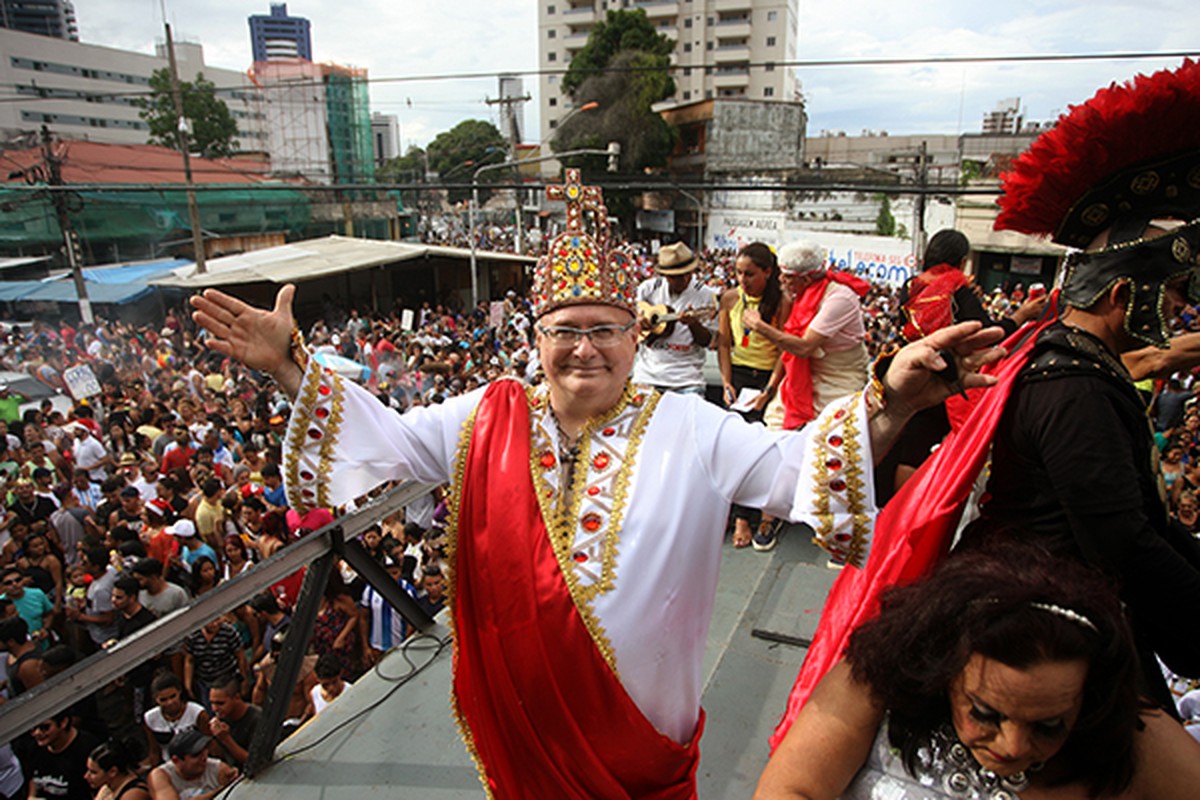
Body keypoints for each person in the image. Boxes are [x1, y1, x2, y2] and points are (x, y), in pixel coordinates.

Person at [191, 168, 1003, 797]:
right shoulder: (483, 415)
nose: (586, 349)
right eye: (565, 331)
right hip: (525, 737)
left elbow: (794, 473)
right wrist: (293, 369)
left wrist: (890, 398)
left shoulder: (690, 423)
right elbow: (390, 444)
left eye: (606, 329)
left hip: (642, 744)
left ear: (633, 333)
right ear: (534, 337)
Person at [780, 61, 1200, 735]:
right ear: (1125, 294)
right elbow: (1123, 541)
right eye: (1176, 295)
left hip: (946, 407)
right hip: (1030, 613)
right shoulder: (1069, 382)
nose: (1180, 308)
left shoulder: (1054, 352)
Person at [755, 543, 1200, 799]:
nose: (1013, 745)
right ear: (944, 673)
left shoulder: (1132, 734)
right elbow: (793, 790)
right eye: (986, 713)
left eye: (1049, 726)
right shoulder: (880, 679)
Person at [717, 241, 789, 548]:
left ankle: (751, 516)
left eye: (750, 274)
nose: (742, 281)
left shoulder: (781, 302)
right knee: (733, 447)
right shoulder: (731, 298)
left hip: (769, 380)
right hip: (738, 375)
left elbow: (785, 350)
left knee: (759, 448)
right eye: (738, 273)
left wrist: (769, 390)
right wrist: (725, 381)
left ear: (767, 273)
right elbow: (723, 342)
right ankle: (739, 515)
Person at [632, 242, 718, 394]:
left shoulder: (705, 294)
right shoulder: (648, 289)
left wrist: (694, 325)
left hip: (686, 379)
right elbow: (628, 321)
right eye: (676, 277)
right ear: (665, 275)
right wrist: (638, 321)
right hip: (647, 375)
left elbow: (707, 341)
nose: (684, 280)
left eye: (688, 274)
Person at [25, 711, 100, 800]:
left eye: (45, 727)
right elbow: (33, 778)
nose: (37, 733)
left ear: (63, 722)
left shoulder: (87, 748)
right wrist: (32, 796)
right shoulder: (34, 748)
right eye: (33, 729)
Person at [147, 727, 238, 800]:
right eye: (196, 755)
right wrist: (221, 790)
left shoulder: (219, 769)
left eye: (204, 752)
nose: (204, 758)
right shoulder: (161, 775)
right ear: (176, 760)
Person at [207, 675, 260, 769]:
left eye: (220, 703)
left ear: (237, 697)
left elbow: (255, 762)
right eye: (212, 703)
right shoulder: (221, 717)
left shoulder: (257, 720)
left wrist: (226, 739)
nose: (214, 708)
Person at [83, 739, 151, 800]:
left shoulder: (134, 794)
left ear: (112, 772)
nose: (86, 776)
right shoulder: (106, 788)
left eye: (93, 772)